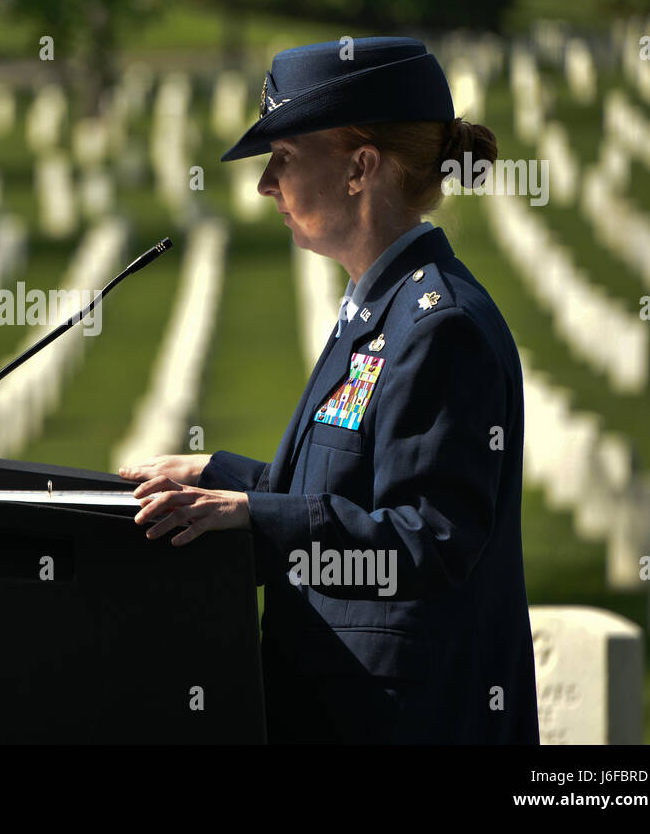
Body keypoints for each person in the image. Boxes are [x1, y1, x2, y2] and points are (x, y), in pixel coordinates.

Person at [119, 37, 539, 744]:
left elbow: (428, 541)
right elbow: (352, 493)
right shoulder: (379, 311)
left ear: (360, 168)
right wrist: (221, 480)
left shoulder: (441, 327)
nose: (264, 184)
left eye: (282, 157)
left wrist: (253, 516)